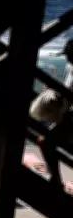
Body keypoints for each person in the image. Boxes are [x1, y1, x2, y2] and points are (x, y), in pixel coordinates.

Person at [34, 40, 73, 188]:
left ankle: (56, 179)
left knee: (44, 141)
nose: (67, 59)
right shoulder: (70, 67)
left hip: (70, 119)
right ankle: (55, 178)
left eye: (69, 55)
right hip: (66, 116)